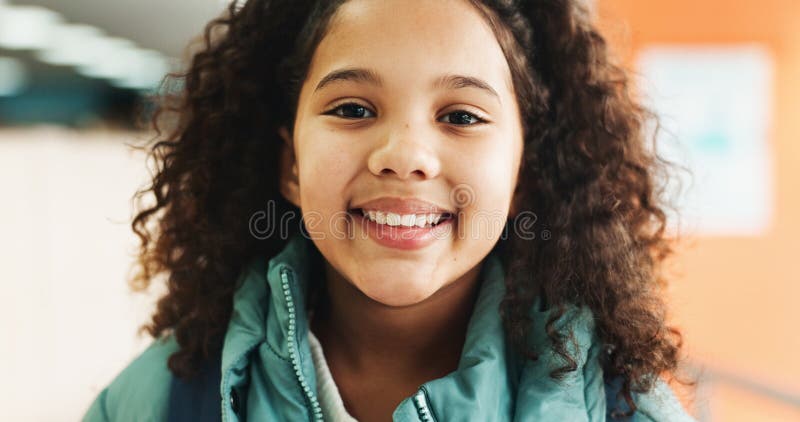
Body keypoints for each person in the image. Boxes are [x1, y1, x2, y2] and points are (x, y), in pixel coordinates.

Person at [83, 0, 695, 420]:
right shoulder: (157, 402)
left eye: (461, 116)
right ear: (290, 166)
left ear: (525, 174)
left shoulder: (622, 410)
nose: (405, 157)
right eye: (352, 109)